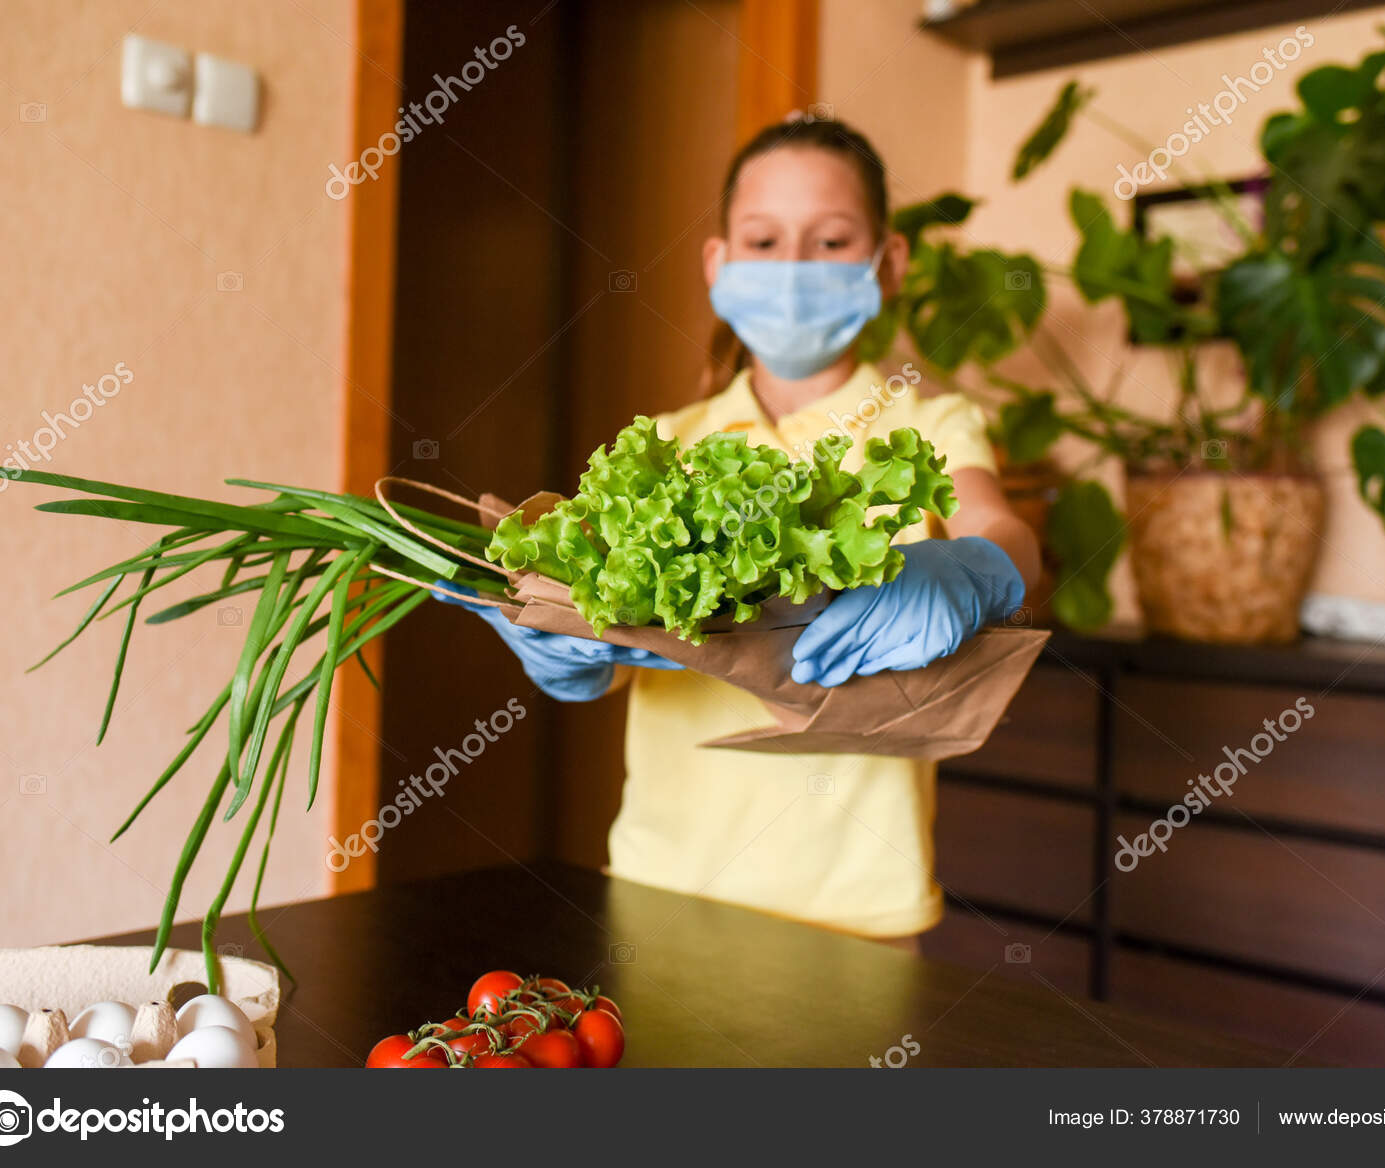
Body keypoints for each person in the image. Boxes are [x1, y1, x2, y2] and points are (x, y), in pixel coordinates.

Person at [441, 117, 1039, 945]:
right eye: (764, 239)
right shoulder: (667, 445)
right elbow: (611, 652)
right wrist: (560, 645)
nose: (794, 266)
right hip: (662, 881)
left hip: (858, 899)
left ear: (888, 263)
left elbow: (999, 520)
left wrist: (977, 569)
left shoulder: (928, 420)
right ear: (719, 265)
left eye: (831, 240)